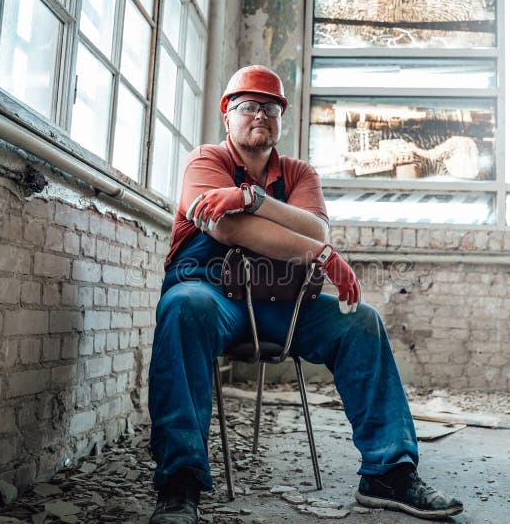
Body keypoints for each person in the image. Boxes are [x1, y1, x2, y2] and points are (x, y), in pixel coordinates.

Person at [147, 65, 464, 523]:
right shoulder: (205, 162)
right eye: (249, 106)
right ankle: (179, 485)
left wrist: (252, 199)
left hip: (282, 306)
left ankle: (387, 472)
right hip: (212, 296)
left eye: (271, 107)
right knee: (181, 306)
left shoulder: (298, 174)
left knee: (362, 320)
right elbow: (225, 225)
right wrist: (315, 250)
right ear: (226, 114)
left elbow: (316, 225)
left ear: (281, 118)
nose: (261, 114)